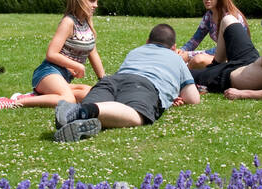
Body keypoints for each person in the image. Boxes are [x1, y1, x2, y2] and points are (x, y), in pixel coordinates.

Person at [51, 23, 200, 142]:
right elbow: (193, 98)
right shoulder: (176, 58)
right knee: (138, 115)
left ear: (147, 42)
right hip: (144, 85)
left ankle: (77, 115)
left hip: (112, 81)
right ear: (174, 48)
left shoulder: (136, 51)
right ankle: (83, 112)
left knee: (104, 102)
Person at [0, 0, 105, 110]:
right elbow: (51, 54)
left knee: (90, 94)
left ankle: (36, 96)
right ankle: (14, 102)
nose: (96, 5)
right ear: (80, 0)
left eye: (97, 1)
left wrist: (104, 80)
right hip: (48, 73)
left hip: (63, 78)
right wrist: (77, 66)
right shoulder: (68, 22)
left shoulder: (87, 24)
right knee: (69, 99)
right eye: (92, 1)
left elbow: (92, 52)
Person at [179, 0, 246, 71]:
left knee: (197, 61)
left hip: (236, 61)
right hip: (221, 59)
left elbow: (225, 49)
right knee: (187, 61)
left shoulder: (230, 18)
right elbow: (195, 40)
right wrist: (181, 51)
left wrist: (189, 55)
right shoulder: (209, 16)